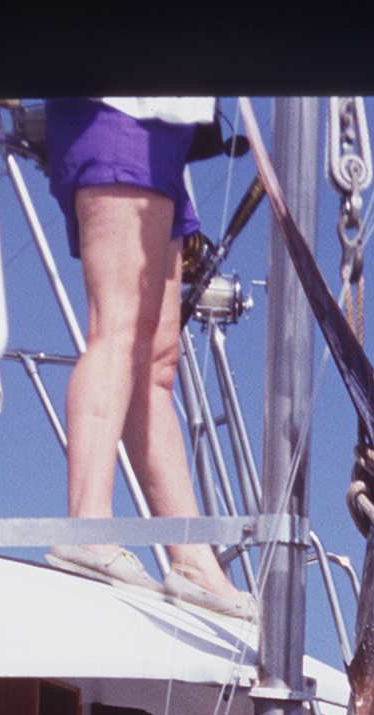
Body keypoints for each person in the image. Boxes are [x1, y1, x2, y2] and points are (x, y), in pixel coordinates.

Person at [43, 99, 254, 621]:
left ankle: (191, 560)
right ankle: (87, 528)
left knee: (158, 365)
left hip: (168, 137)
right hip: (121, 116)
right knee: (115, 330)